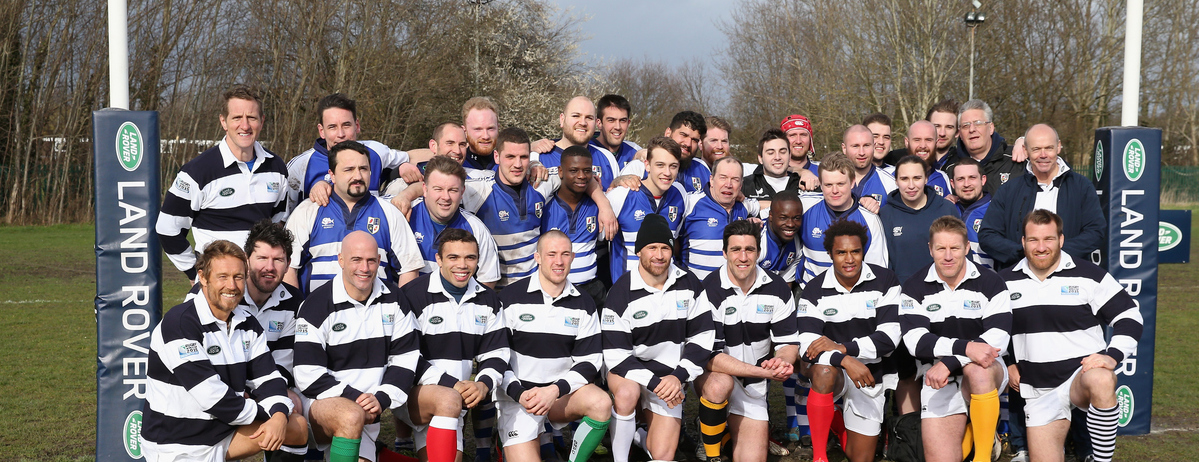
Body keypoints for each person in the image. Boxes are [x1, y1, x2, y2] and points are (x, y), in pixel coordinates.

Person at [141, 240, 306, 462]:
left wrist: (278, 416)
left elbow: (269, 379)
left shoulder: (248, 323)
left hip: (222, 434)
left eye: (238, 277)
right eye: (222, 277)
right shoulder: (179, 324)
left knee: (296, 427)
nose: (232, 285)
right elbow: (213, 398)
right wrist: (269, 413)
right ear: (202, 277)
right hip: (177, 446)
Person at [1000, 210, 1142, 462]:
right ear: (1023, 242)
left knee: (1100, 378)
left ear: (1061, 240)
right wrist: (1009, 361)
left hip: (1080, 377)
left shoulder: (1090, 275)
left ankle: (1102, 460)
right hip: (1038, 390)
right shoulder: (1004, 283)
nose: (1041, 247)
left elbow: (1130, 316)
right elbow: (993, 331)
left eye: (1049, 239)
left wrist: (1113, 355)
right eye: (1033, 240)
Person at [293, 232, 431, 462]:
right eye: (356, 259)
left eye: (370, 260)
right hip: (321, 405)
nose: (364, 268)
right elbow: (308, 375)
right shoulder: (315, 305)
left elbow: (406, 358)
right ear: (341, 260)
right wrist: (356, 399)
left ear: (378, 260)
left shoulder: (395, 298)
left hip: (371, 407)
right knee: (350, 416)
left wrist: (381, 398)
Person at [603, 213, 715, 462]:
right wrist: (656, 383)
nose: (659, 255)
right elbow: (616, 356)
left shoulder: (690, 283)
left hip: (670, 378)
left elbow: (703, 337)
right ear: (639, 251)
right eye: (652, 247)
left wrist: (678, 377)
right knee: (627, 395)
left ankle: (638, 434)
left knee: (663, 455)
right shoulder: (620, 292)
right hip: (631, 374)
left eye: (665, 247)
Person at [898, 216, 1012, 462]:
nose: (948, 256)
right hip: (937, 377)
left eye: (955, 248)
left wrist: (951, 361)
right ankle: (976, 427)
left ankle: (982, 456)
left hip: (985, 370)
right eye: (941, 248)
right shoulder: (914, 286)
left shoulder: (992, 282)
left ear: (967, 247)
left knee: (977, 371)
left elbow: (997, 338)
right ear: (930, 249)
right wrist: (966, 348)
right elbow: (915, 342)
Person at [496, 230, 612, 462]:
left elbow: (589, 363)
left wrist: (554, 391)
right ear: (537, 257)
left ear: (572, 258)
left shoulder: (584, 302)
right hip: (519, 400)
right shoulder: (509, 298)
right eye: (551, 254)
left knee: (601, 403)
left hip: (559, 396)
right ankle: (504, 440)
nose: (559, 261)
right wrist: (520, 394)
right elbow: (496, 358)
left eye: (565, 254)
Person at [400, 228, 513, 462]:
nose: (462, 265)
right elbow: (404, 356)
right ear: (438, 260)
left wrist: (483, 384)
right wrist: (452, 385)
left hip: (457, 397)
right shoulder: (411, 295)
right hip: (417, 396)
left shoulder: (488, 299)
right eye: (453, 257)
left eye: (470, 257)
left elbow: (497, 352)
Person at [796, 219, 902, 462]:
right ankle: (820, 456)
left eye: (855, 251)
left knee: (859, 457)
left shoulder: (886, 281)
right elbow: (807, 347)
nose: (849, 259)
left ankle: (835, 420)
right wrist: (845, 359)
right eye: (841, 252)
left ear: (863, 251)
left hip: (870, 373)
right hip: (837, 371)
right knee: (823, 372)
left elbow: (889, 338)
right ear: (830, 254)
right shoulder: (814, 289)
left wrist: (841, 347)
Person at [157, 84, 288, 280]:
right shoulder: (197, 172)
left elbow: (278, 228)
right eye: (237, 118)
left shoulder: (277, 168)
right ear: (223, 122)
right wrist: (194, 273)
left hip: (260, 286)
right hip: (217, 286)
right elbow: (167, 229)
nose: (245, 126)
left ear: (261, 121)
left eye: (251, 118)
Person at [695, 220, 800, 462]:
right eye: (735, 250)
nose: (743, 257)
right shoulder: (708, 290)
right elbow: (710, 358)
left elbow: (787, 343)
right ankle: (712, 450)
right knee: (719, 386)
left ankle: (719, 428)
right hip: (716, 376)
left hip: (754, 386)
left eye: (749, 250)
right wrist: (763, 373)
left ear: (759, 253)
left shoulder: (778, 288)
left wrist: (782, 362)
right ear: (724, 253)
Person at [463, 127, 616, 287]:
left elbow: (579, 176)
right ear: (497, 156)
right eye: (510, 157)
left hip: (533, 290)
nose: (517, 164)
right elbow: (442, 174)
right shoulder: (477, 189)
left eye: (523, 157)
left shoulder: (540, 182)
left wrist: (604, 205)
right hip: (494, 290)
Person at [284, 141, 423, 294]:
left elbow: (409, 269)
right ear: (332, 175)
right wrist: (298, 312)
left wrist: (399, 310)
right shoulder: (308, 211)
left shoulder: (390, 213)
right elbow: (289, 268)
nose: (357, 176)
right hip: (319, 314)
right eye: (349, 170)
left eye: (363, 169)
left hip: (374, 314)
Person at [978, 124, 1105, 270]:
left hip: (1071, 277)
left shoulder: (1082, 187)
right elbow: (988, 235)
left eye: (1049, 148)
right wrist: (1024, 253)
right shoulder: (1008, 190)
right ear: (1026, 151)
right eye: (1036, 149)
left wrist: (1058, 255)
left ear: (1058, 147)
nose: (1043, 155)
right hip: (1020, 277)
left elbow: (1096, 231)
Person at [285, 93, 421, 211]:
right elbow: (286, 217)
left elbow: (412, 156)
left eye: (346, 125)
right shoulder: (300, 166)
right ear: (322, 131)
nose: (341, 134)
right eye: (332, 127)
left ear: (357, 126)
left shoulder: (375, 151)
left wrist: (403, 166)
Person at [405, 156, 502, 287]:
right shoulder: (404, 218)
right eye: (438, 189)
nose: (445, 197)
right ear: (425, 189)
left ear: (462, 192)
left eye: (453, 190)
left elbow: (487, 281)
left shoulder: (476, 229)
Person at [606, 136, 688, 282]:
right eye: (660, 165)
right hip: (627, 290)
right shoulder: (621, 195)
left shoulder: (681, 194)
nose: (667, 173)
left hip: (666, 290)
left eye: (673, 166)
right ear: (647, 165)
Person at [800, 153, 888, 284]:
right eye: (829, 185)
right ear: (821, 185)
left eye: (840, 184)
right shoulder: (804, 206)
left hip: (853, 294)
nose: (835, 191)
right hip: (810, 292)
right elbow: (774, 212)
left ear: (852, 182)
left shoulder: (870, 219)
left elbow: (877, 271)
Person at [878, 155, 960, 283]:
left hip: (944, 289)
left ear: (926, 179)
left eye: (917, 178)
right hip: (903, 293)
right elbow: (883, 261)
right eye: (904, 179)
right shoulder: (886, 214)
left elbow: (962, 253)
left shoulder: (946, 209)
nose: (911, 185)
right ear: (896, 181)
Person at [542, 146, 605, 305]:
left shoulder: (598, 206)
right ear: (561, 171)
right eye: (574, 170)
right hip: (554, 291)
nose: (582, 176)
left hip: (592, 290)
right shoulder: (544, 207)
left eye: (587, 170)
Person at [679, 157, 759, 279]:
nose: (728, 184)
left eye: (735, 179)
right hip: (696, 290)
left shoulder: (744, 206)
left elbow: (773, 207)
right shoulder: (690, 202)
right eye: (723, 178)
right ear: (711, 179)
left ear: (741, 184)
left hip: (731, 291)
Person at [532, 96, 622, 190]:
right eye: (576, 116)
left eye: (589, 118)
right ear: (562, 119)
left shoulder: (607, 158)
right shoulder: (538, 157)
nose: (583, 123)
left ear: (595, 123)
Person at [620, 111, 712, 193]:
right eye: (683, 135)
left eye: (694, 140)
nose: (688, 144)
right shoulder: (639, 167)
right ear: (668, 133)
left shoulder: (702, 169)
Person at [947, 99, 1024, 195]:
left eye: (978, 123)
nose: (972, 129)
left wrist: (1027, 141)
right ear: (960, 133)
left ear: (991, 128)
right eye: (966, 125)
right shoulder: (949, 168)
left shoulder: (1016, 159)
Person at [949, 158, 994, 268]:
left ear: (983, 180)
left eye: (972, 178)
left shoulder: (996, 211)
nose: (966, 184)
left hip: (987, 281)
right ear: (952, 183)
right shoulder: (946, 210)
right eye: (960, 179)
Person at [741, 128, 802, 210]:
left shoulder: (804, 185)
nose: (777, 157)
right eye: (770, 153)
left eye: (782, 152)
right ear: (760, 158)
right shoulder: (745, 186)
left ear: (790, 156)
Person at [842, 125, 897, 213]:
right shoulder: (832, 181)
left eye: (866, 145)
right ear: (844, 148)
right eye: (855, 146)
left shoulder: (890, 183)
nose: (861, 152)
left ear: (873, 146)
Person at [757, 191, 805, 286]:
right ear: (771, 216)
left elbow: (786, 285)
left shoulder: (797, 243)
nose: (790, 224)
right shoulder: (756, 239)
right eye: (783, 218)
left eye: (796, 218)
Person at [591, 94, 642, 168]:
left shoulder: (635, 151)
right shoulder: (586, 150)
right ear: (599, 123)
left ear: (628, 123)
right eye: (611, 120)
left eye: (622, 120)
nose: (617, 127)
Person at [902, 120, 951, 197]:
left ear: (936, 143)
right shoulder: (890, 177)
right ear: (907, 142)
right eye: (917, 140)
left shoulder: (942, 177)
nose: (923, 146)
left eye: (928, 140)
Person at [780, 114, 822, 188]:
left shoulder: (824, 170)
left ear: (810, 139)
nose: (798, 141)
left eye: (803, 135)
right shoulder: (771, 172)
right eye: (792, 135)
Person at [462, 97, 502, 170]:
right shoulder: (454, 168)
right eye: (478, 129)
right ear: (465, 131)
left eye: (490, 128)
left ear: (498, 128)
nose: (485, 136)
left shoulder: (509, 166)